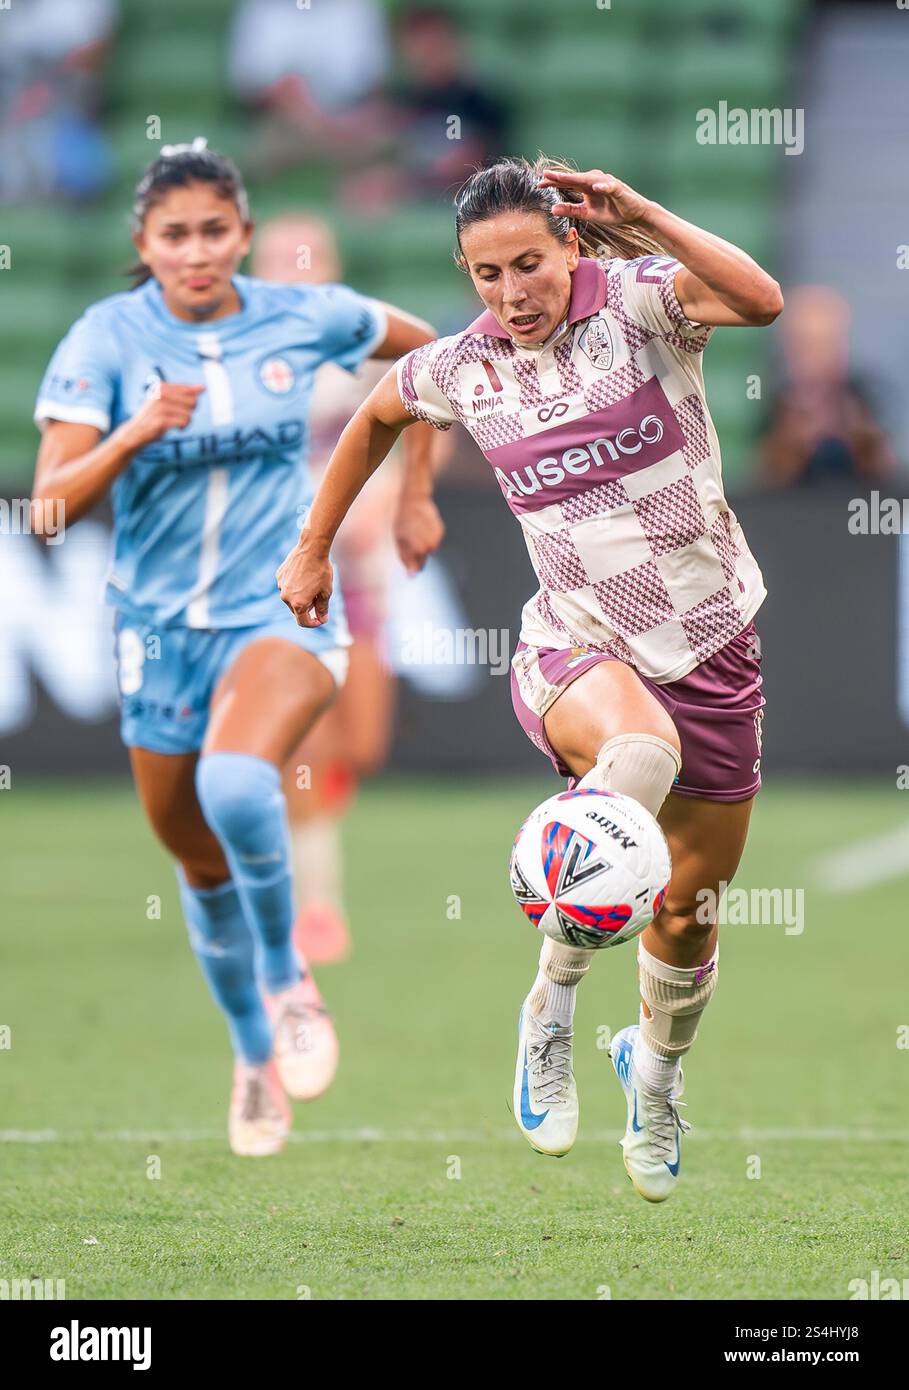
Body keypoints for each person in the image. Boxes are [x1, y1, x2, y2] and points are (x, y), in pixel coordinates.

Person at [276, 155, 784, 1203]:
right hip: (576, 648)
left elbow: (762, 300)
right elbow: (378, 413)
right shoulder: (465, 365)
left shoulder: (645, 303)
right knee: (641, 753)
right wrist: (315, 544)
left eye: (527, 264)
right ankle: (548, 1006)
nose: (511, 294)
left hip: (712, 645)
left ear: (570, 247)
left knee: (687, 909)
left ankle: (653, 1077)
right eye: (484, 275)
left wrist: (640, 215)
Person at [30, 140, 438, 1157]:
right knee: (195, 855)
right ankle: (255, 1052)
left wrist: (418, 490)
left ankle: (288, 969)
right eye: (175, 233)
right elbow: (46, 505)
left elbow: (427, 353)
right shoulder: (106, 338)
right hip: (158, 637)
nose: (197, 250)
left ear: (244, 235)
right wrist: (130, 437)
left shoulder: (302, 317)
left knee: (239, 782)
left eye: (216, 229)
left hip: (282, 610)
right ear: (143, 243)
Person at [253, 213, 445, 962]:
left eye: (304, 260)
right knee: (310, 737)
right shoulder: (238, 357)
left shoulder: (360, 346)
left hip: (359, 574)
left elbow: (422, 388)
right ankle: (315, 905)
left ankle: (285, 829)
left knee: (360, 745)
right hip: (275, 571)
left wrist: (403, 491)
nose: (293, 273)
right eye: (277, 260)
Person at [758, 283, 897, 489]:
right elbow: (763, 483)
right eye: (806, 345)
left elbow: (888, 476)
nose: (817, 358)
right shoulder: (778, 405)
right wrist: (791, 440)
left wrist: (862, 439)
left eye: (826, 343)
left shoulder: (862, 397)